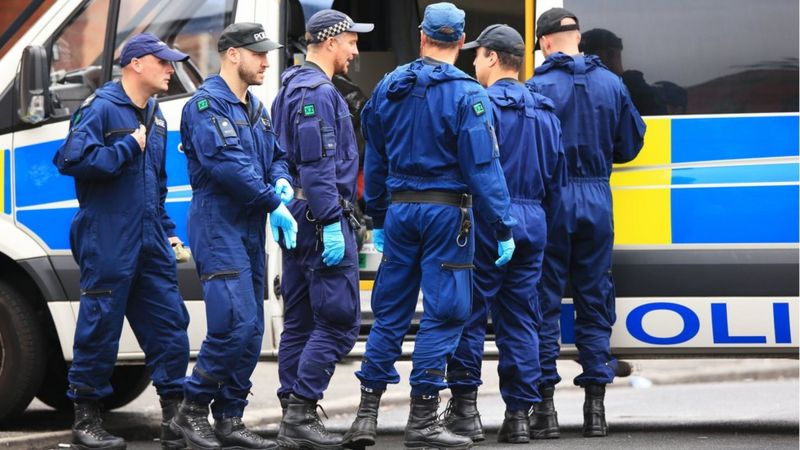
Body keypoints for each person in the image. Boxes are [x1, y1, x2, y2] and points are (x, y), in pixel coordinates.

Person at [342, 4, 516, 449]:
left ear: (422, 38)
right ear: (461, 43)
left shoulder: (388, 87)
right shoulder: (468, 94)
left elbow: (374, 157)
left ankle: (366, 416)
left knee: (390, 311)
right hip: (446, 214)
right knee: (447, 311)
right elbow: (484, 168)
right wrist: (503, 225)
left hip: (400, 212)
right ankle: (422, 418)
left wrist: (377, 214)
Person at [53, 33, 191, 450]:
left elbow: (157, 184)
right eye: (163, 62)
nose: (171, 69)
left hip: (150, 236)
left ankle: (175, 418)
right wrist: (127, 147)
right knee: (100, 327)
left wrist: (167, 229)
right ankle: (87, 418)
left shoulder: (156, 114)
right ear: (136, 64)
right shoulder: (101, 108)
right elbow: (70, 160)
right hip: (108, 233)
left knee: (170, 324)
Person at [170, 23, 297, 450]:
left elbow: (277, 156)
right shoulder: (207, 105)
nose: (266, 61)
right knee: (233, 323)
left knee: (253, 326)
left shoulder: (255, 108)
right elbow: (226, 164)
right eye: (258, 53)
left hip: (248, 223)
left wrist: (281, 182)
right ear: (232, 55)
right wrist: (270, 200)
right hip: (217, 222)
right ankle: (191, 412)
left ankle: (229, 418)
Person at [526, 8, 646, 439]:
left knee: (544, 300)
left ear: (543, 44)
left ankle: (546, 411)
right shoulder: (612, 84)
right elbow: (630, 145)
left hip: (552, 201)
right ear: (579, 40)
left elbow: (527, 150)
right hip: (597, 199)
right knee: (595, 298)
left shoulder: (536, 87)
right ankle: (596, 410)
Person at [443, 24, 566, 445]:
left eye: (477, 55)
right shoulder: (546, 111)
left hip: (487, 220)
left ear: (493, 58)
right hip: (533, 222)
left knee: (470, 316)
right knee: (522, 320)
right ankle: (519, 416)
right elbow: (557, 179)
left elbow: (468, 170)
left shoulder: (479, 105)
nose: (473, 62)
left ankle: (465, 412)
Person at [269, 9, 373, 449]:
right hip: (319, 218)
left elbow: (281, 158)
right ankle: (300, 412)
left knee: (300, 322)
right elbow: (317, 165)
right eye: (351, 41)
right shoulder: (317, 92)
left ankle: (293, 413)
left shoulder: (288, 87)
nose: (355, 50)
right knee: (338, 322)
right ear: (330, 42)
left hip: (297, 217)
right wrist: (332, 222)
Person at [578, 28, 667, 116]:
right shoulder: (578, 88)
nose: (580, 63)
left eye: (586, 57)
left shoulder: (636, 91)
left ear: (609, 55)